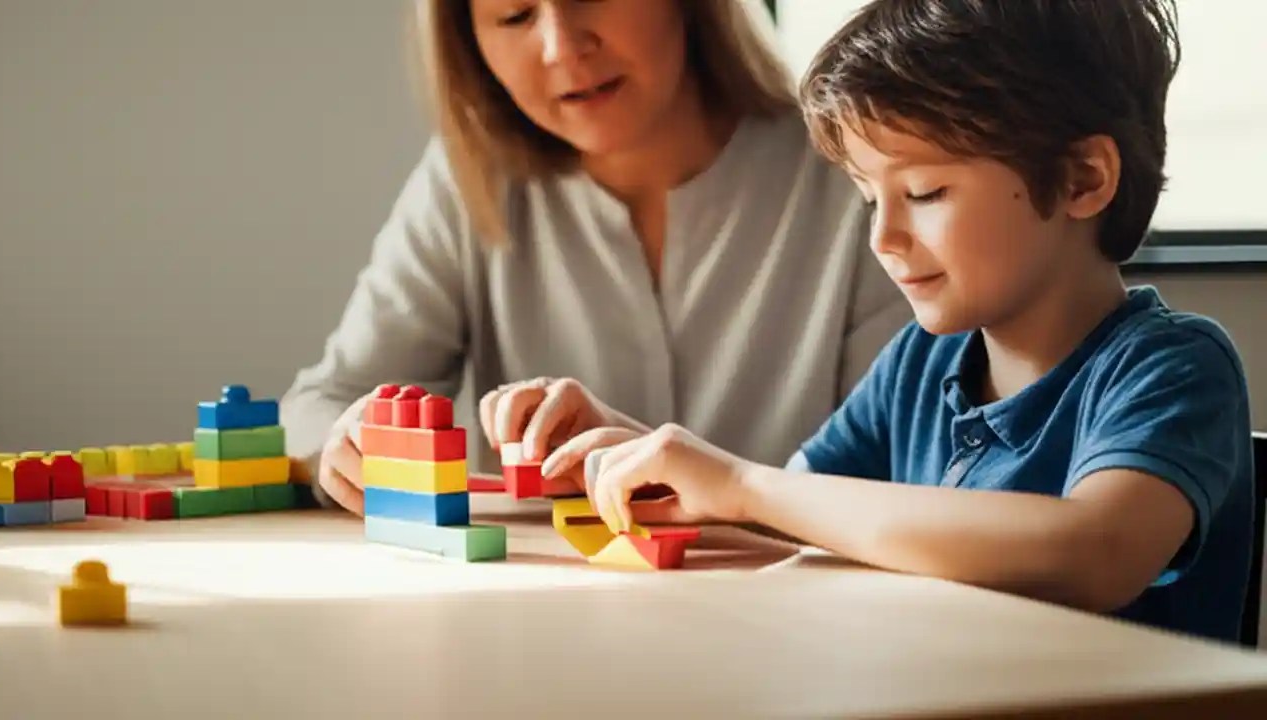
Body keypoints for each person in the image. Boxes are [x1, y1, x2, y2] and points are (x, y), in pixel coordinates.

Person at [542, 0, 1255, 644]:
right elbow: (788, 511)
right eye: (867, 199)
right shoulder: (921, 361)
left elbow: (1093, 554)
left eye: (925, 191)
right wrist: (647, 458)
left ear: (1082, 180)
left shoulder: (1173, 369)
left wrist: (741, 484)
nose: (882, 237)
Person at [281, 0, 910, 514]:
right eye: (515, 16)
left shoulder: (852, 174)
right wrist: (346, 442)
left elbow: (899, 469)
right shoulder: (468, 181)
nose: (560, 47)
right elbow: (322, 402)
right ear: (471, 46)